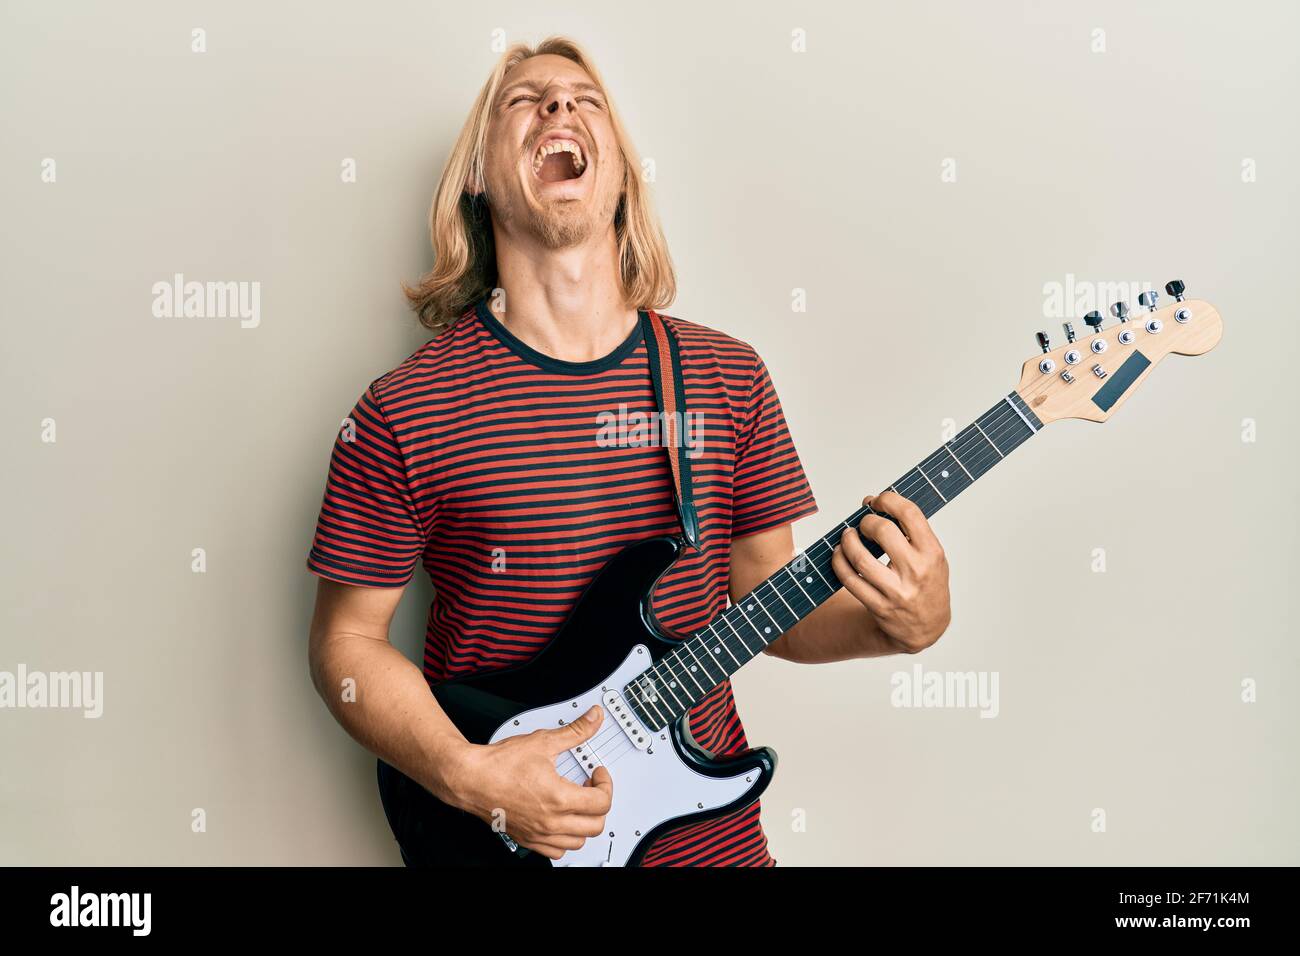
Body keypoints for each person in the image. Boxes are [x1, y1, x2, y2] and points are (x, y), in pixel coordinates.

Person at [306, 36, 951, 866]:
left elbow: (767, 603)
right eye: (524, 100)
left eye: (586, 99)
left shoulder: (726, 375)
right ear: (476, 177)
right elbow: (345, 644)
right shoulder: (407, 408)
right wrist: (473, 778)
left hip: (708, 844)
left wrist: (900, 627)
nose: (559, 107)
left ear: (620, 173)